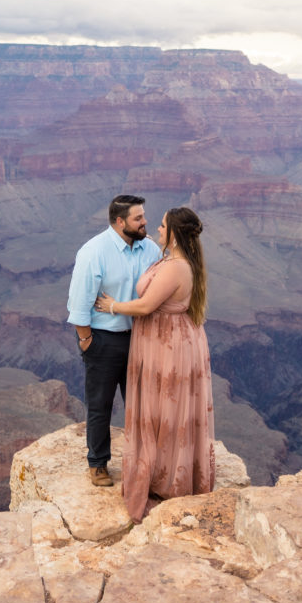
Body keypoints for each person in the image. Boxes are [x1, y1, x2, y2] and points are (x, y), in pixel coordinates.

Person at [95, 205, 215, 522]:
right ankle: (167, 472)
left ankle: (167, 481)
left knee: (165, 410)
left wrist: (111, 306)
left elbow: (147, 305)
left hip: (169, 347)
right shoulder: (171, 259)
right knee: (165, 410)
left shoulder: (176, 267)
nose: (157, 230)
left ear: (174, 234)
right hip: (164, 341)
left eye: (162, 226)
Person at [66, 193, 162, 487]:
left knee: (143, 406)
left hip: (141, 338)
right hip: (104, 340)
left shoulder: (150, 250)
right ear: (120, 222)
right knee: (100, 405)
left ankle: (145, 464)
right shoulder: (94, 252)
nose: (145, 222)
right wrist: (87, 342)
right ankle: (97, 464)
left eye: (144, 216)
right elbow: (79, 303)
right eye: (138, 218)